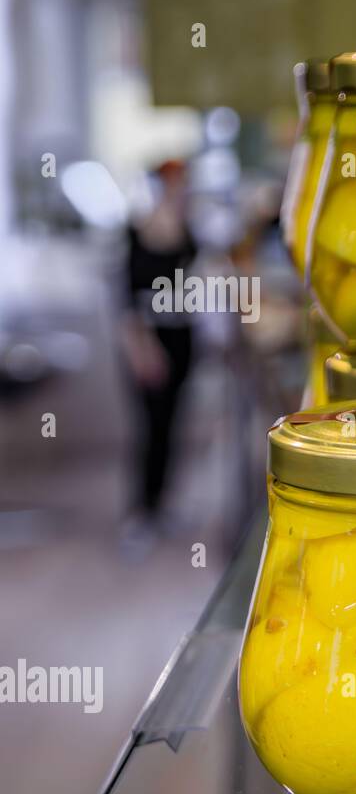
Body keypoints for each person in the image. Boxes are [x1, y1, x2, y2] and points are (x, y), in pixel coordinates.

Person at [119, 159, 197, 558]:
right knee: (149, 428)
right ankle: (140, 511)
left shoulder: (187, 233)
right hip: (148, 341)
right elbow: (127, 302)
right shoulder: (136, 231)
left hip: (181, 336)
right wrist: (142, 350)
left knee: (172, 425)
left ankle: (162, 503)